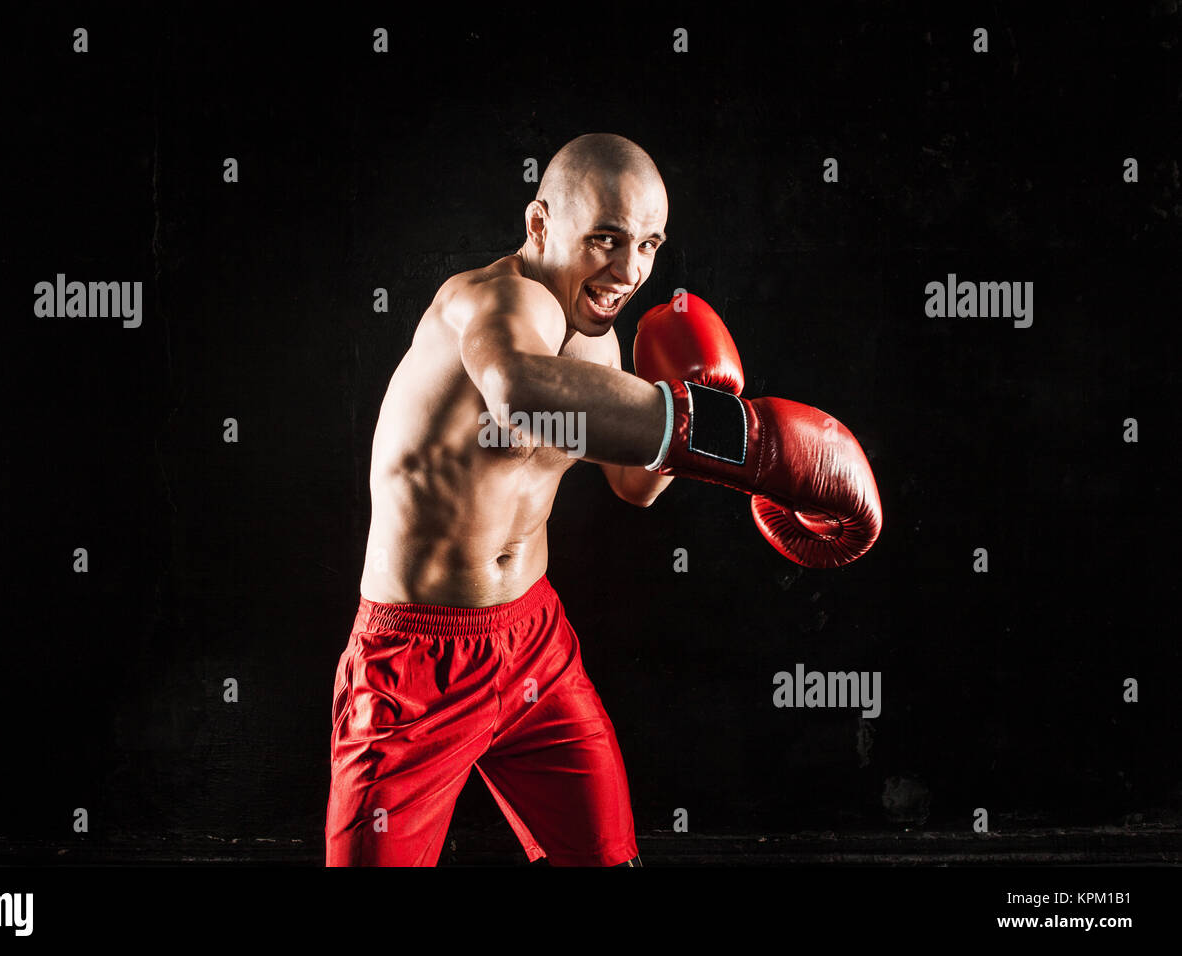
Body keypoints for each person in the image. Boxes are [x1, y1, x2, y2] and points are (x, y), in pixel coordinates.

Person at [325, 133, 882, 867]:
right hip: (414, 665)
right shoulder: (490, 301)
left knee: (607, 860)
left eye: (648, 245)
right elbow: (518, 388)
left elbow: (635, 485)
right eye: (606, 240)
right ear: (539, 225)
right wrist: (739, 437)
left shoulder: (596, 343)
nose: (629, 272)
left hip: (534, 648)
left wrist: (691, 394)